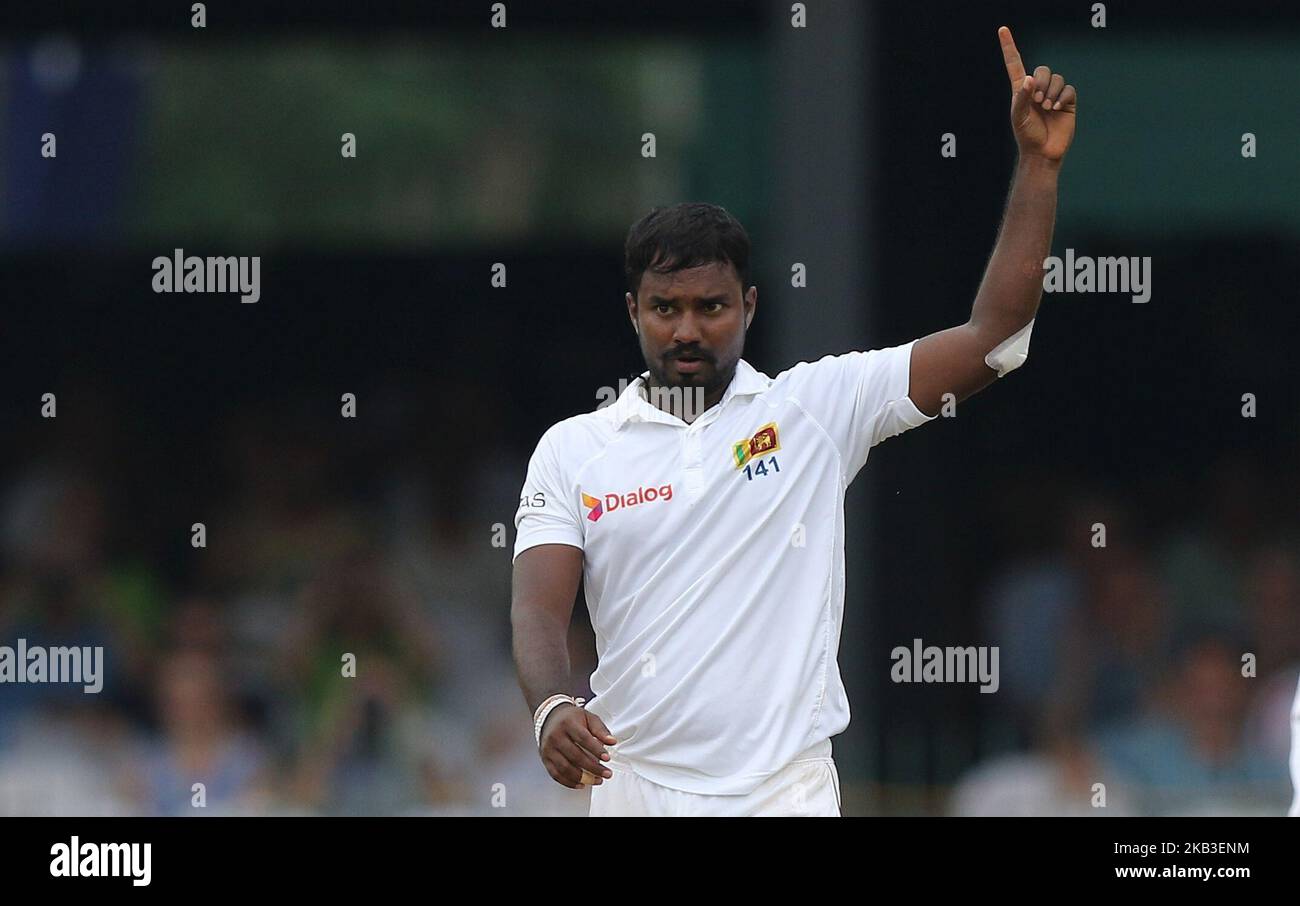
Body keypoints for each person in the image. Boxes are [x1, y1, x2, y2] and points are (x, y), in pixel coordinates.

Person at [511, 26, 1077, 816]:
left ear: (747, 306)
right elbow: (539, 608)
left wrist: (1039, 168)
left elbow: (994, 340)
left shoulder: (814, 407)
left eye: (710, 307)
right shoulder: (574, 450)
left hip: (788, 793)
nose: (687, 330)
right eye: (664, 308)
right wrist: (548, 707)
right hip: (635, 788)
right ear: (632, 312)